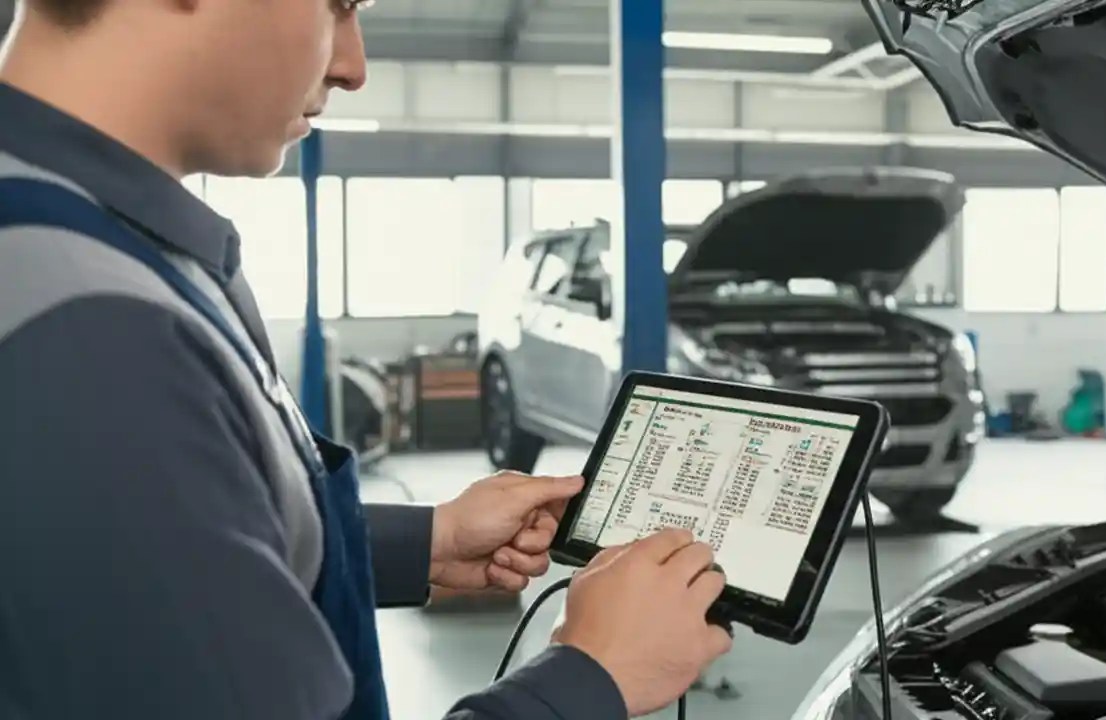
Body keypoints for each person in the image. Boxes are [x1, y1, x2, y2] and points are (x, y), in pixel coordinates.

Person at [0, 1, 732, 719]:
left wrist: (430, 541)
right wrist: (588, 677)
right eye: (338, 6)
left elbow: (201, 528)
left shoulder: (102, 246)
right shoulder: (88, 331)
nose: (353, 67)